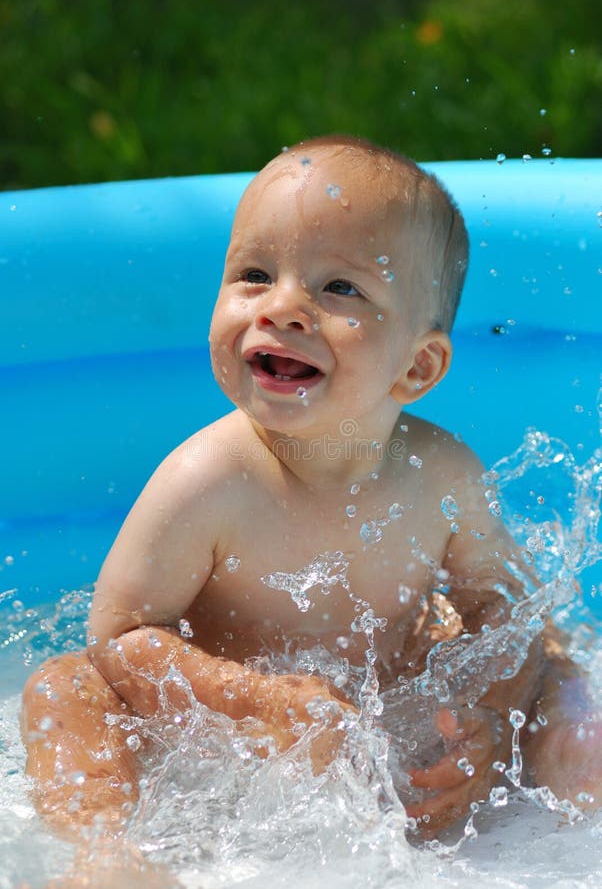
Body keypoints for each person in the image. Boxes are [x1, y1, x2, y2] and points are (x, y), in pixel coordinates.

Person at [20, 136, 601, 853]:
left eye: (339, 288)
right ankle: (104, 854)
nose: (284, 307)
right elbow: (118, 636)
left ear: (418, 367)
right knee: (62, 691)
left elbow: (499, 608)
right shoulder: (209, 479)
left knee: (561, 675)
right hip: (221, 729)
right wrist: (250, 701)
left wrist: (483, 721)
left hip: (391, 713)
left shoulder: (442, 473)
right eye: (255, 275)